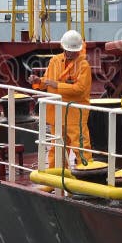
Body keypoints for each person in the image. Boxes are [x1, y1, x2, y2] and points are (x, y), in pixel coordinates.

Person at [29, 30, 93, 167]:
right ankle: (56, 178)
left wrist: (57, 85)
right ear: (63, 47)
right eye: (68, 50)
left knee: (81, 147)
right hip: (57, 113)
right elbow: (47, 80)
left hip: (75, 114)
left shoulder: (83, 66)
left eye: (73, 51)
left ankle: (87, 176)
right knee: (56, 147)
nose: (70, 53)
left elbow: (80, 89)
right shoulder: (55, 60)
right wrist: (37, 81)